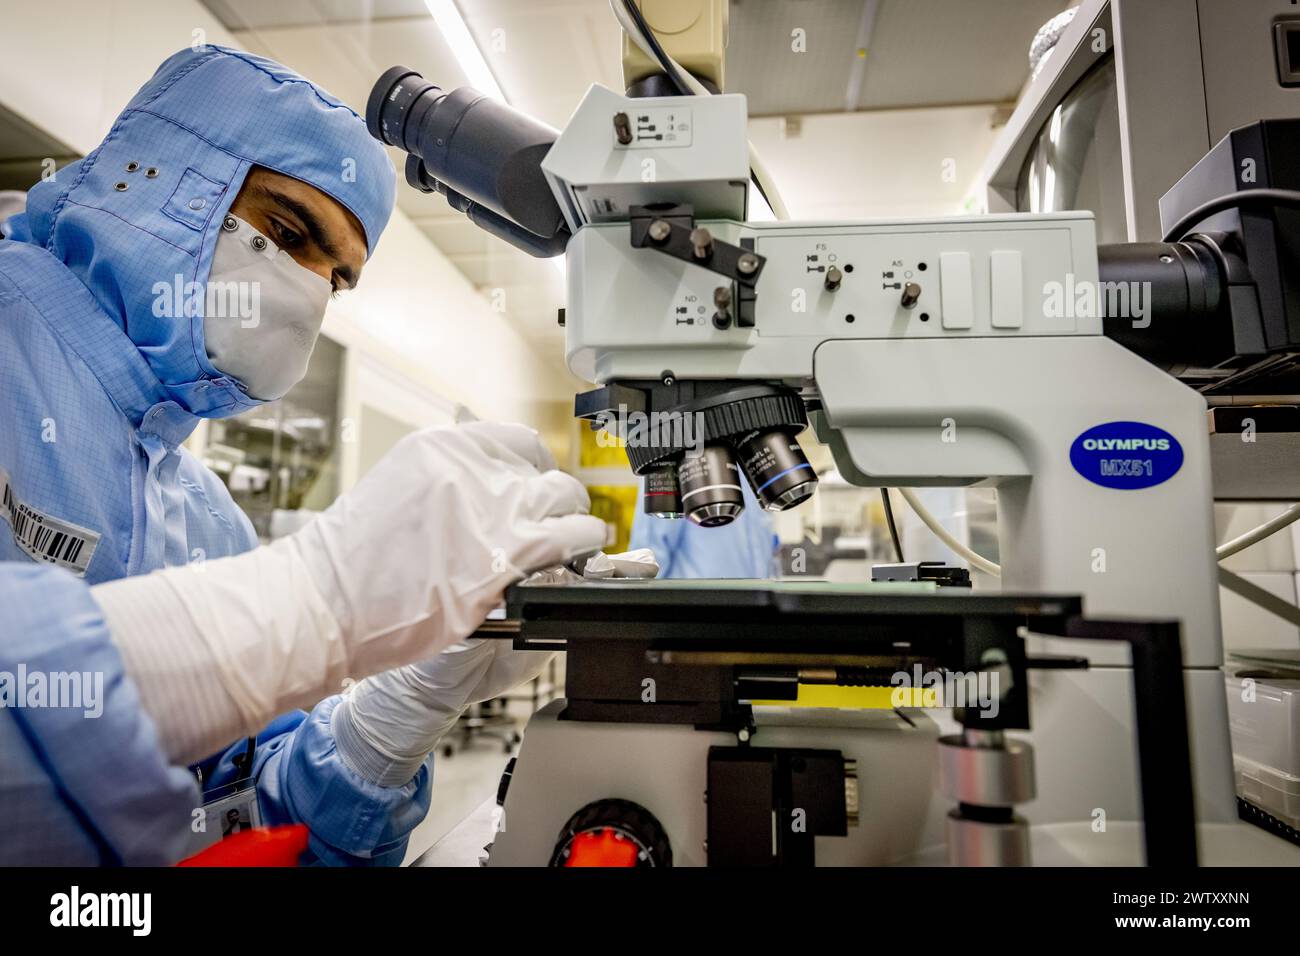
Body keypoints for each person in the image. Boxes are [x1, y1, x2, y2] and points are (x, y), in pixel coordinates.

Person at [0, 44, 605, 865]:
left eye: (339, 279)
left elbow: (250, 822)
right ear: (163, 175)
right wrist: (308, 601)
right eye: (287, 232)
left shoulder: (203, 518)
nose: (310, 291)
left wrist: (397, 711)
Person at [629, 475, 779, 578]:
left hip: (754, 610)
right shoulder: (675, 448)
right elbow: (647, 559)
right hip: (693, 613)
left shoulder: (752, 460)